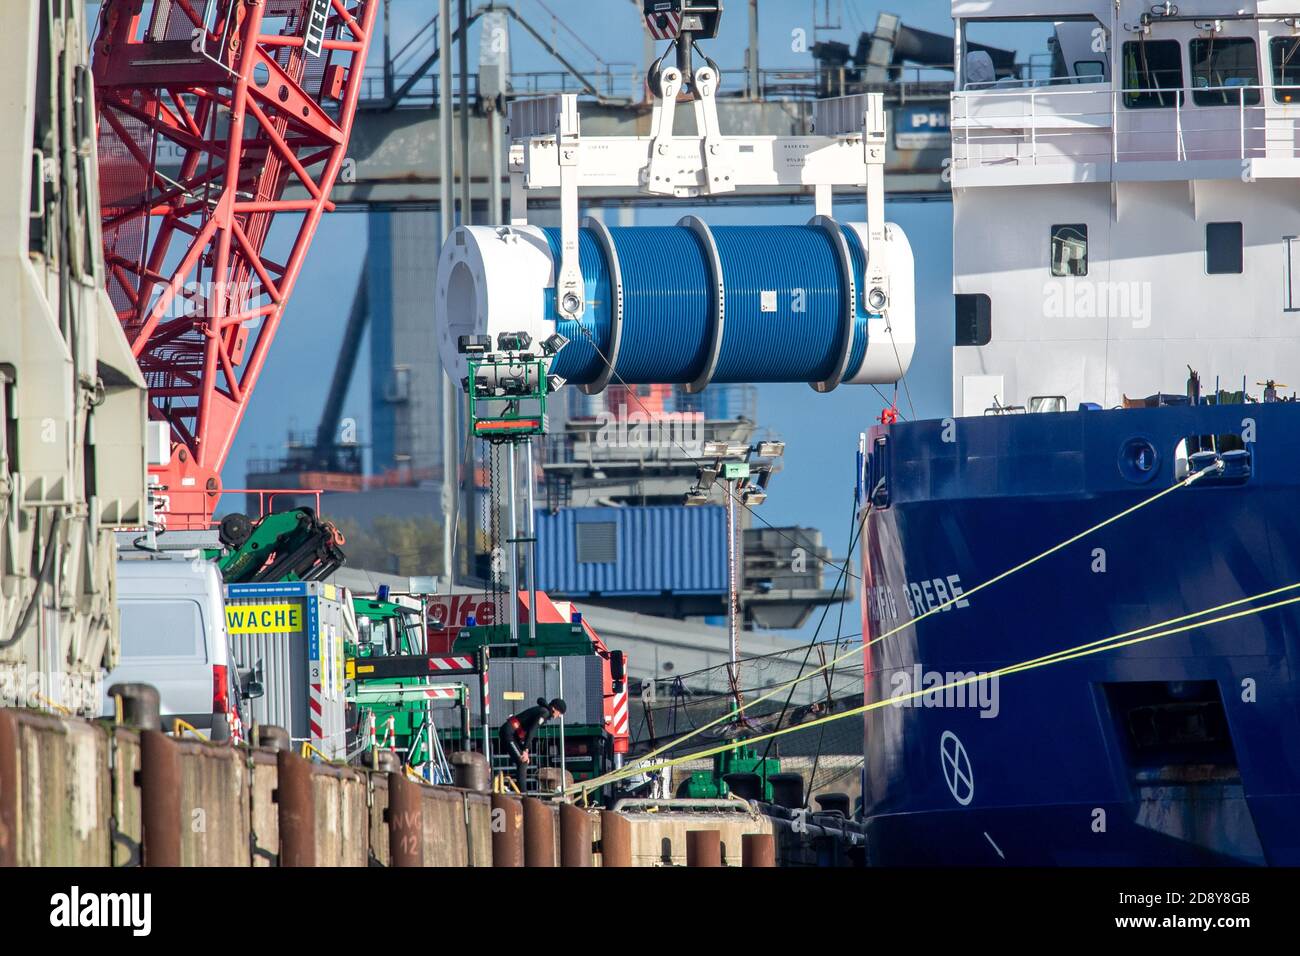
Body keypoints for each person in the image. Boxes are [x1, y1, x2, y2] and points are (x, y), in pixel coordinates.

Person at [498, 697, 566, 792]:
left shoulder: (543, 711)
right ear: (554, 709)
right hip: (509, 733)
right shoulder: (545, 713)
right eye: (560, 713)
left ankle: (517, 790)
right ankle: (523, 795)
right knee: (522, 761)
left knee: (523, 761)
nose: (559, 716)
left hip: (513, 735)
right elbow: (532, 731)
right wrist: (526, 750)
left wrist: (525, 750)